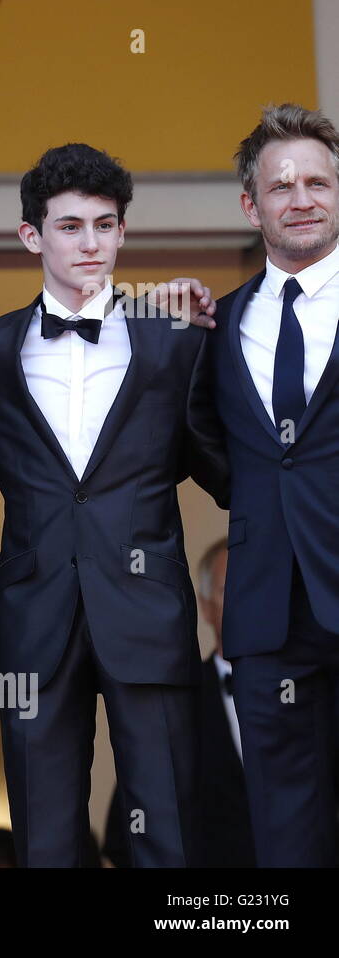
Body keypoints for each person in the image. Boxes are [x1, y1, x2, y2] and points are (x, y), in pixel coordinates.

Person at [0, 144, 229, 866]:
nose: (89, 242)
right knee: (45, 840)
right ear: (33, 236)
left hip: (148, 616)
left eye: (104, 224)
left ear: (122, 233)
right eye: (69, 226)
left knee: (169, 834)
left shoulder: (175, 341)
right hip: (34, 620)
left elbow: (230, 472)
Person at [208, 103, 339, 867]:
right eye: (282, 185)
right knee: (285, 837)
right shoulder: (214, 326)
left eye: (318, 182)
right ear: (252, 204)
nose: (302, 197)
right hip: (265, 615)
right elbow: (205, 447)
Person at [104, 538, 257, 868]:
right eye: (230, 588)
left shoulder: (315, 694)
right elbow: (124, 834)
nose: (246, 601)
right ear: (205, 606)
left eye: (257, 585)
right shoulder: (170, 708)